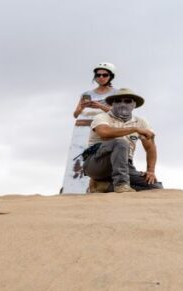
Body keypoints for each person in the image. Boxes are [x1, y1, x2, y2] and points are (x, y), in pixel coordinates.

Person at [81, 88, 163, 193]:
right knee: (120, 142)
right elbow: (104, 133)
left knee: (155, 187)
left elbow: (150, 146)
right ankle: (121, 185)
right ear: (112, 104)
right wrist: (134, 129)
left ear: (134, 105)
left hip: (124, 165)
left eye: (127, 101)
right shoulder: (102, 117)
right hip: (97, 163)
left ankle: (103, 186)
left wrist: (151, 171)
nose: (122, 104)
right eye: (118, 101)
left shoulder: (141, 122)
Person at [61, 62, 119, 194]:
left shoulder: (116, 93)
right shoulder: (86, 93)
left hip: (105, 124)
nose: (101, 77)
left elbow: (118, 112)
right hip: (83, 126)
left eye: (105, 75)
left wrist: (100, 106)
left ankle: (101, 185)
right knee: (82, 156)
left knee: (103, 155)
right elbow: (76, 114)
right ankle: (74, 189)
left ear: (111, 76)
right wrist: (82, 106)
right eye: (98, 75)